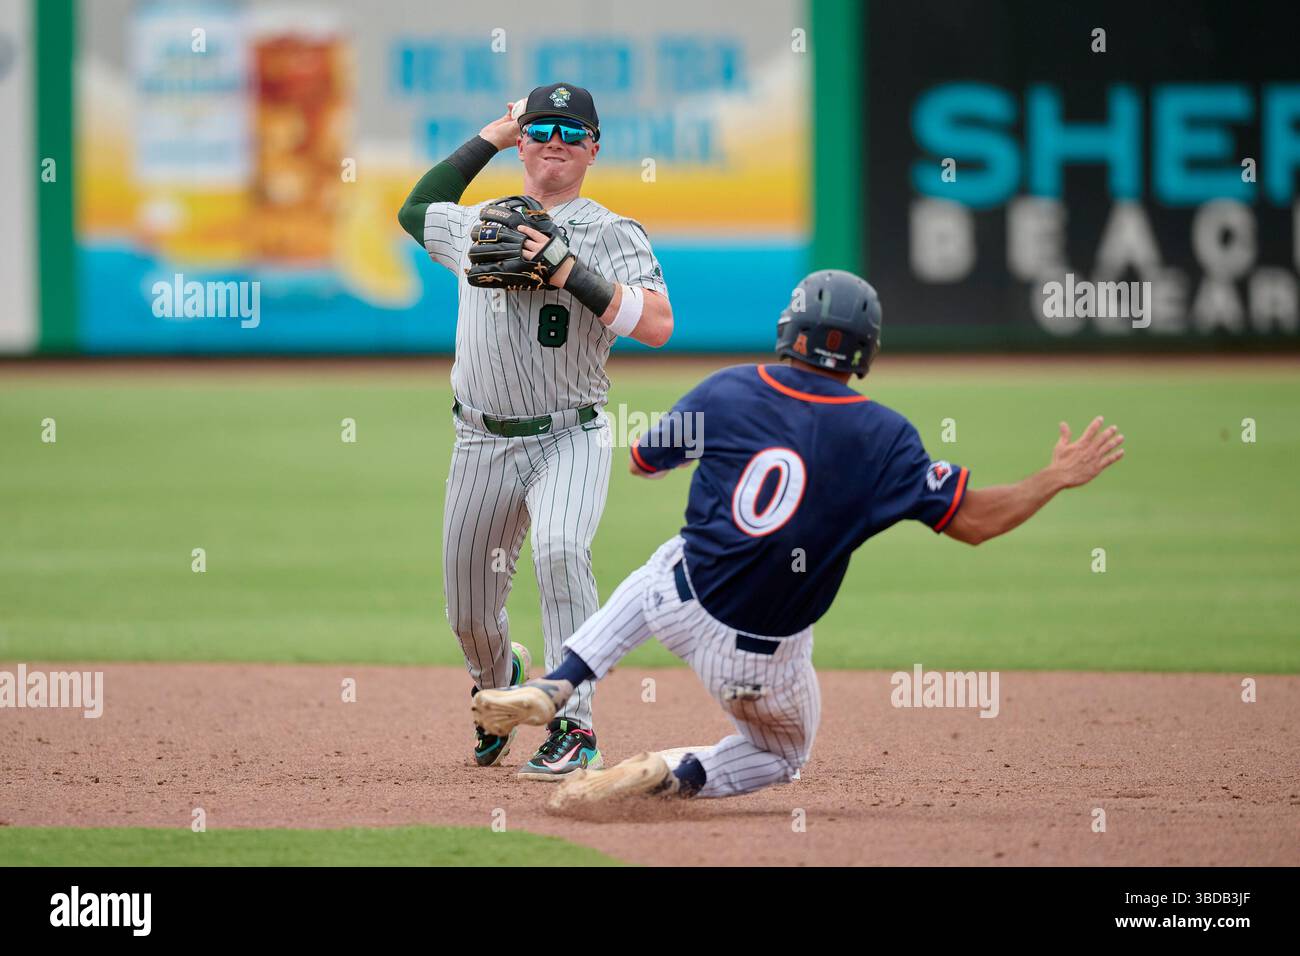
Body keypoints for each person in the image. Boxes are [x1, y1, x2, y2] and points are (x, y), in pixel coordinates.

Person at [472, 269, 1124, 808]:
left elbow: (644, 460)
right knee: (781, 756)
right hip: (756, 662)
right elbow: (975, 522)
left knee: (665, 566)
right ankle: (676, 771)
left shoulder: (730, 387)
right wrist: (1055, 477)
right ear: (865, 352)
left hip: (676, 602)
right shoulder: (886, 437)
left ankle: (560, 681)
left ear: (790, 331)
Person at [397, 82, 673, 778]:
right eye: (542, 127)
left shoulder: (613, 232)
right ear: (524, 142)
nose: (556, 139)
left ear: (594, 148)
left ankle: (574, 727)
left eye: (573, 131)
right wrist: (490, 133)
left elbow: (659, 325)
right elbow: (415, 211)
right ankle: (498, 691)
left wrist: (570, 271)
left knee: (558, 550)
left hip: (568, 435)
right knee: (469, 613)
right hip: (480, 442)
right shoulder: (478, 222)